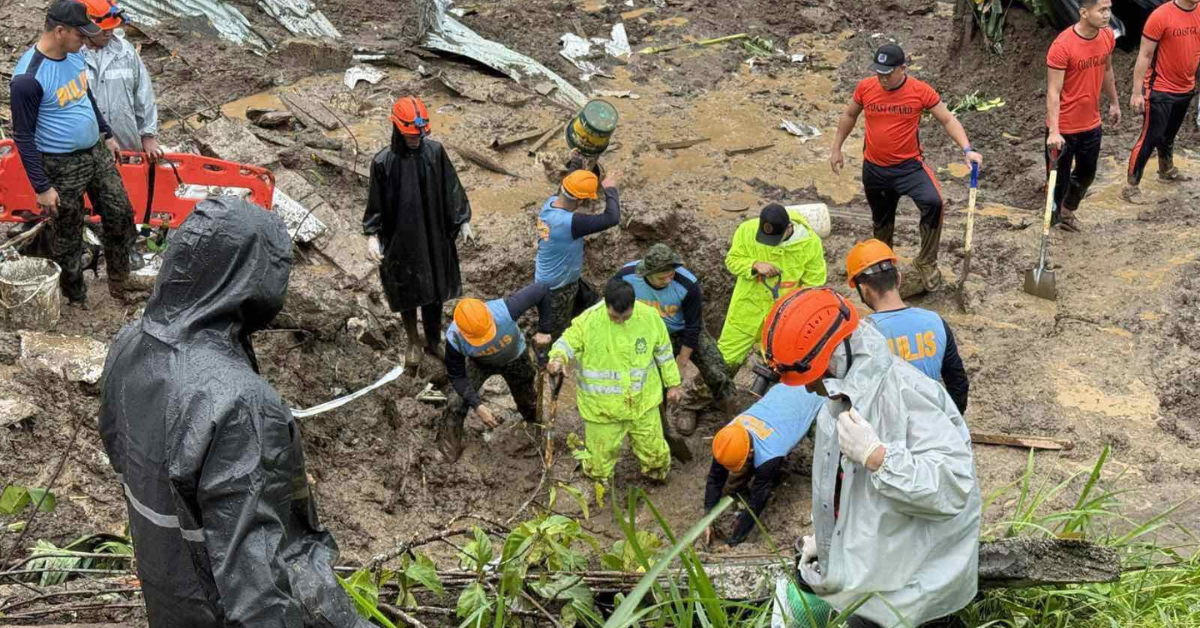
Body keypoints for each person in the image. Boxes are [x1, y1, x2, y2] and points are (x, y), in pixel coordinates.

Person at [97, 197, 371, 628]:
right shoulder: (240, 403)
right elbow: (257, 589)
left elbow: (119, 449)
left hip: (167, 588)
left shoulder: (130, 344)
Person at [758, 287, 980, 628]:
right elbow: (849, 492)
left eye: (810, 377)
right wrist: (829, 544)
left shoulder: (907, 395)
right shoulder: (839, 401)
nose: (808, 388)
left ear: (835, 356)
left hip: (911, 591)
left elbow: (952, 486)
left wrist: (878, 458)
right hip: (873, 581)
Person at [10, 0, 141, 307]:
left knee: (120, 213)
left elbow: (85, 95)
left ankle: (120, 281)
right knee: (67, 232)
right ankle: (76, 296)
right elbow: (23, 137)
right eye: (80, 34)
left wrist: (106, 133)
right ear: (59, 31)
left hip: (95, 152)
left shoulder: (74, 55)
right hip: (60, 163)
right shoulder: (28, 79)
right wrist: (42, 187)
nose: (86, 40)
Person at [829, 43, 984, 297]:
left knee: (934, 202)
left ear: (902, 68)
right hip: (875, 169)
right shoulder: (866, 87)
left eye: (888, 73)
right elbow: (849, 115)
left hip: (909, 168)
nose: (882, 78)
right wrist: (836, 148)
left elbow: (947, 119)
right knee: (881, 220)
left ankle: (926, 261)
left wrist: (967, 149)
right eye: (878, 73)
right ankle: (883, 265)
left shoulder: (920, 91)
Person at [364, 96, 472, 368]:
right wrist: (372, 236)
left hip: (434, 235)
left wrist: (463, 221)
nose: (416, 140)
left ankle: (434, 339)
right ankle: (413, 340)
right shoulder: (383, 162)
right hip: (401, 239)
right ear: (397, 128)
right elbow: (375, 204)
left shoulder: (435, 152)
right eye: (411, 135)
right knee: (406, 292)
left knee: (434, 290)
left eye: (419, 135)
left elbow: (451, 187)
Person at [548, 278, 683, 483]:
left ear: (633, 305)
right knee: (598, 463)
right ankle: (599, 484)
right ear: (605, 303)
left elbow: (664, 353)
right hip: (602, 409)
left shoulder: (650, 318)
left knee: (655, 452)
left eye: (625, 317)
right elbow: (566, 342)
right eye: (614, 317)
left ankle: (657, 476)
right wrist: (557, 359)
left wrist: (673, 384)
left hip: (643, 403)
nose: (619, 321)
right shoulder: (588, 321)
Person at [615, 243, 736, 433]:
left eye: (670, 274)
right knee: (654, 381)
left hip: (682, 330)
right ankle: (660, 427)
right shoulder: (626, 276)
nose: (668, 280)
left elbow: (693, 326)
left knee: (716, 369)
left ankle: (734, 420)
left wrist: (681, 362)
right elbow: (611, 304)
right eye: (661, 278)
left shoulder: (687, 285)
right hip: (649, 334)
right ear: (646, 273)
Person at [846, 239, 969, 414]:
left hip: (886, 426)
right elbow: (958, 384)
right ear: (898, 278)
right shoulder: (935, 322)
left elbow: (854, 394)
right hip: (932, 422)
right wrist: (949, 423)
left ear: (863, 289)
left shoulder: (862, 335)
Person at [437, 282, 554, 462]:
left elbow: (542, 290)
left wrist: (545, 330)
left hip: (515, 357)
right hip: (480, 363)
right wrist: (478, 406)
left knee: (528, 401)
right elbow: (457, 376)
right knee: (456, 403)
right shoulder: (455, 339)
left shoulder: (505, 310)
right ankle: (448, 451)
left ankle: (533, 433)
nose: (484, 341)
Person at [703, 383, 824, 547]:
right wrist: (707, 518)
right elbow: (715, 477)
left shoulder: (770, 455)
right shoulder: (728, 436)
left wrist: (734, 541)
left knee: (823, 438)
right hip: (784, 389)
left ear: (751, 453)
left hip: (816, 395)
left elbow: (757, 501)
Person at [717, 203, 826, 374]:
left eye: (775, 239)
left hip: (781, 319)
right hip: (745, 310)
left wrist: (796, 313)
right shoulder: (747, 230)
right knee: (724, 360)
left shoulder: (810, 244)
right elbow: (732, 260)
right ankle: (717, 388)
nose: (770, 244)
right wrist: (754, 265)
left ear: (789, 228)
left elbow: (813, 284)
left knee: (779, 365)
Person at [1045, 0, 1119, 232]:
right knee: (1058, 180)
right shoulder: (1062, 45)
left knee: (1087, 174)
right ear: (1084, 12)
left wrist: (1114, 103)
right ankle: (1053, 224)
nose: (1107, 14)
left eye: (1109, 9)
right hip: (1064, 127)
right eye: (1102, 10)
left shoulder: (1107, 36)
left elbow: (1107, 70)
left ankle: (1067, 211)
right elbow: (1053, 91)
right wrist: (1054, 131)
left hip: (1091, 123)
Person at [1123, 0, 1200, 204]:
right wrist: (1136, 92)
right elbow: (1145, 55)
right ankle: (1131, 187)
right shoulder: (1161, 16)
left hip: (1186, 86)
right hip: (1160, 88)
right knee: (1151, 136)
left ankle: (1166, 170)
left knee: (1169, 135)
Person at [536, 169, 621, 339]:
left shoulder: (550, 203)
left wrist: (579, 163)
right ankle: (549, 353)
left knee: (592, 305)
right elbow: (612, 218)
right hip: (556, 289)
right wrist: (610, 188)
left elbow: (571, 180)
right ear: (581, 200)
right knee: (556, 333)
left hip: (560, 277)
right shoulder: (571, 223)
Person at [80, 0, 161, 156]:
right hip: (88, 145)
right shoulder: (72, 55)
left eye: (111, 28)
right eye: (103, 30)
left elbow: (143, 93)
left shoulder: (125, 52)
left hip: (126, 140)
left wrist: (148, 134)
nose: (108, 33)